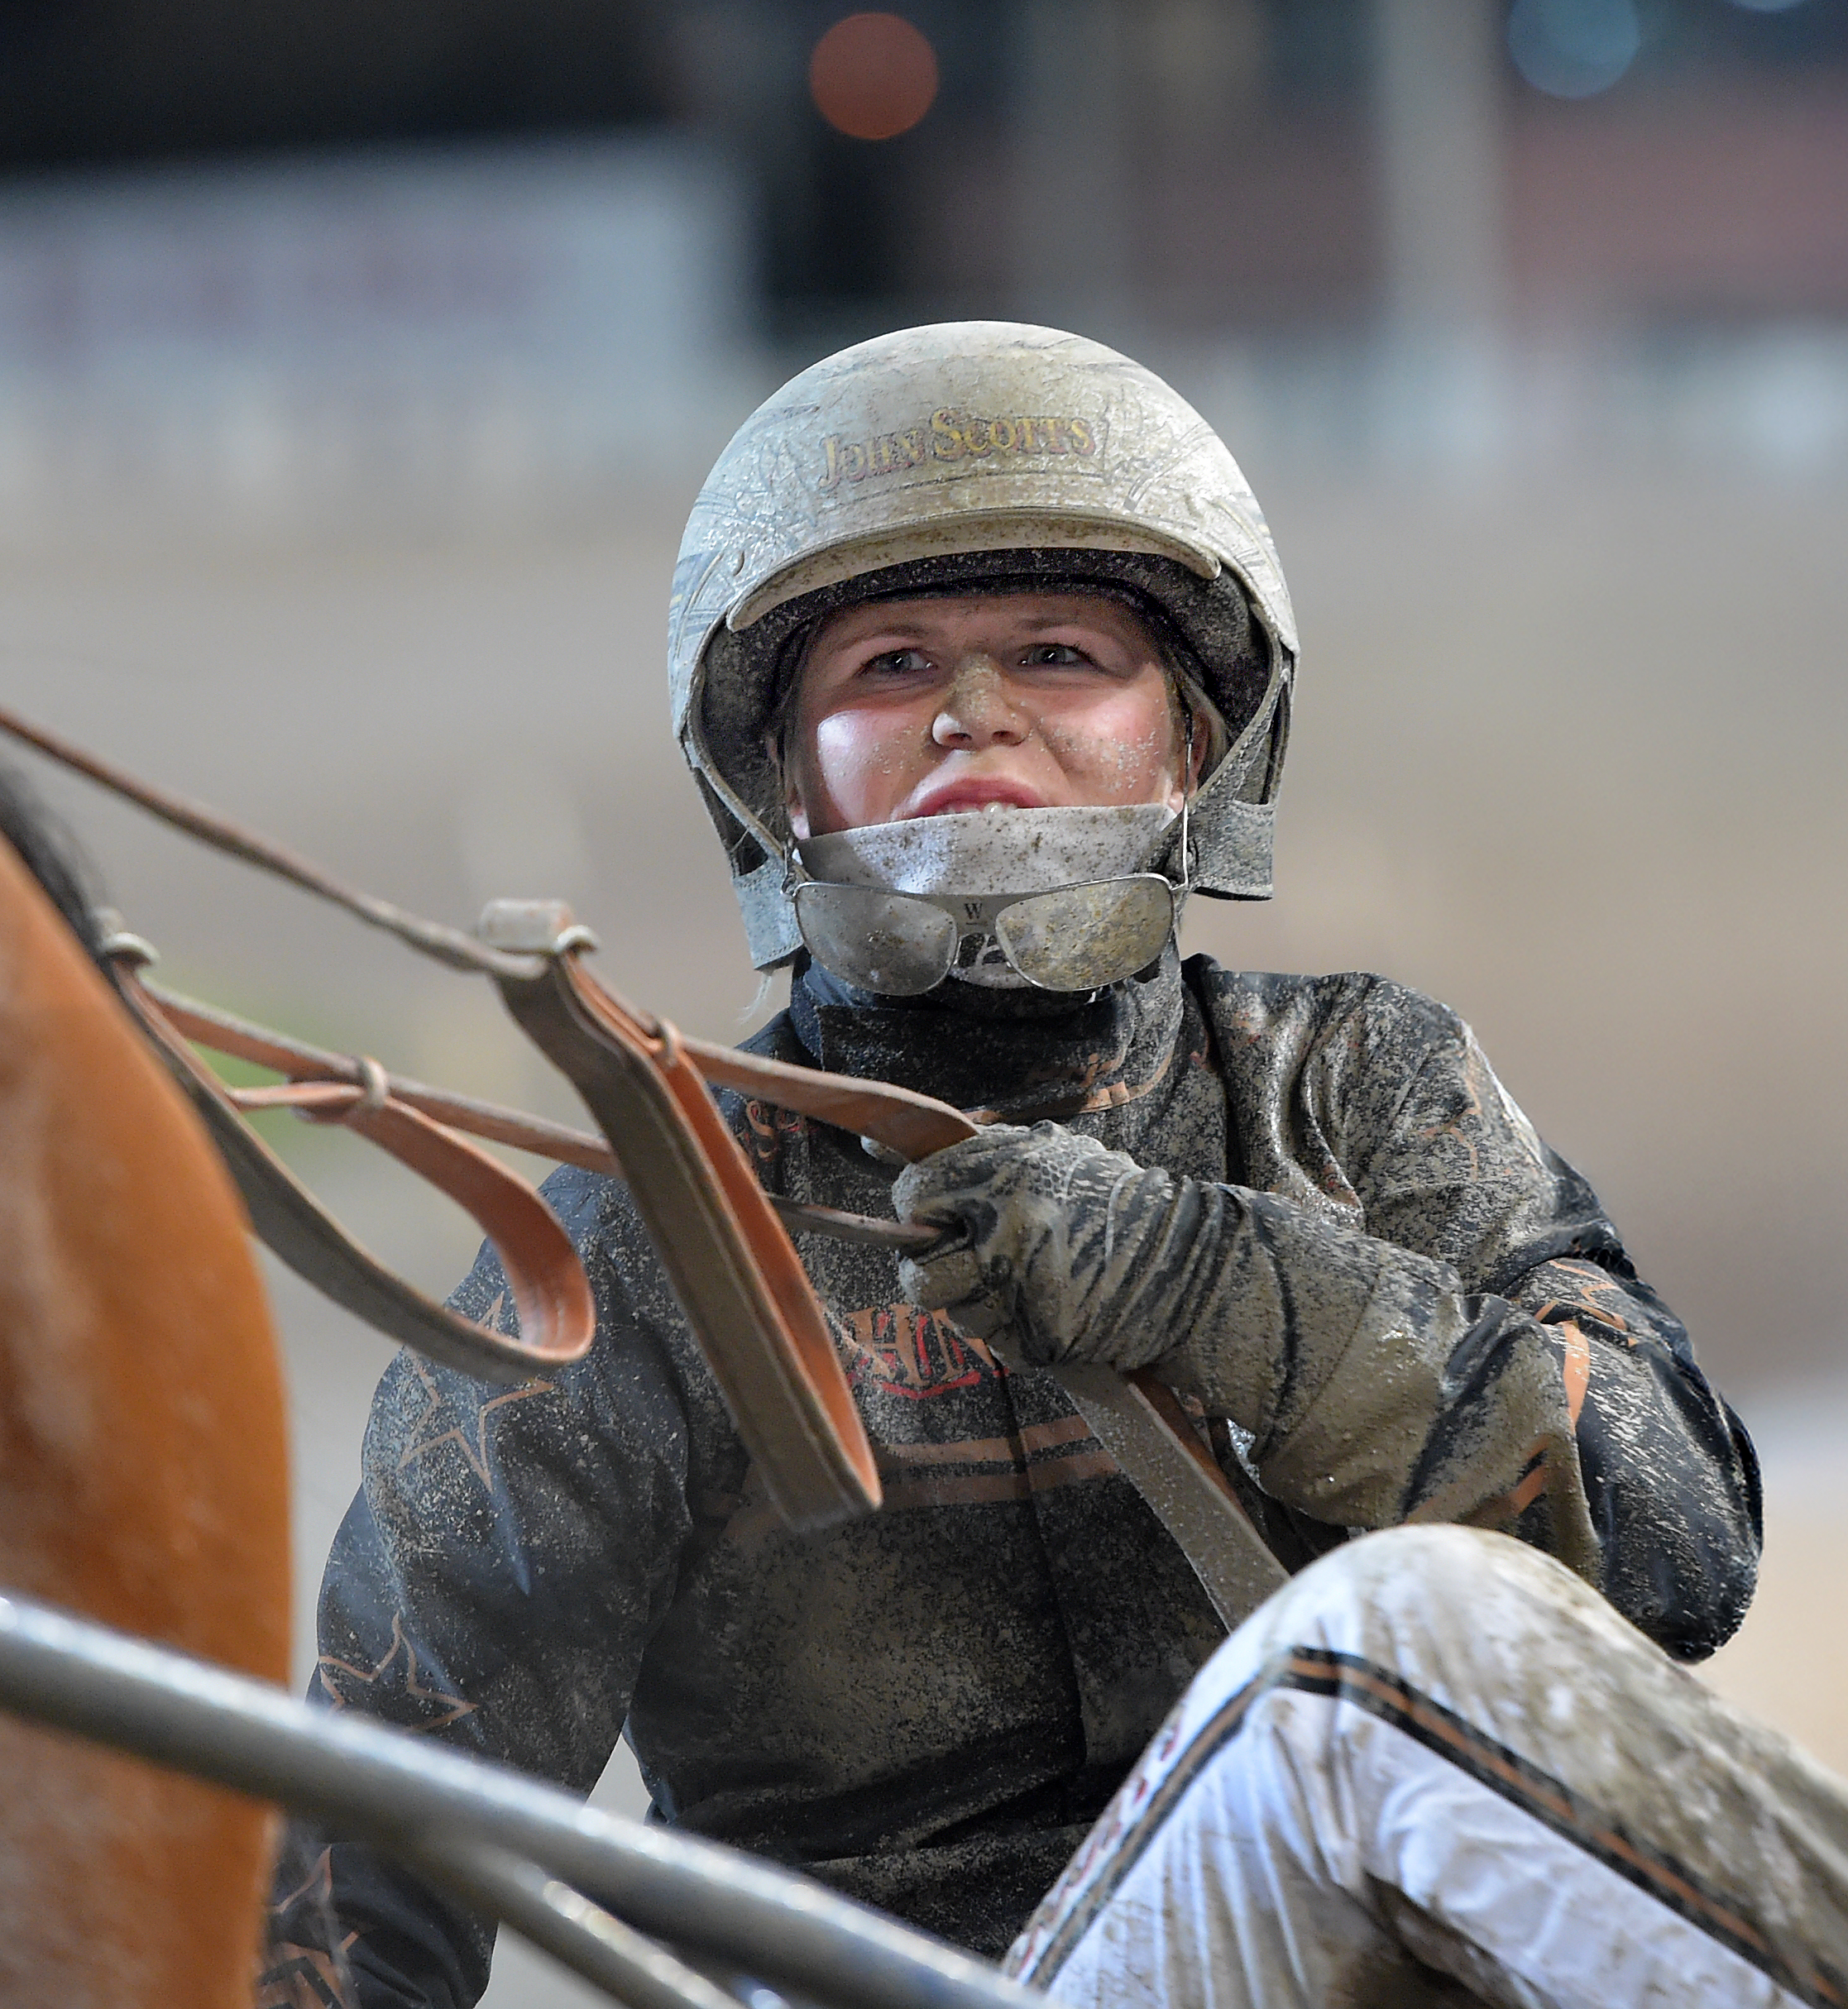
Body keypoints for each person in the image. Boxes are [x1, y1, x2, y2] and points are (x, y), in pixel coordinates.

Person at [257, 322, 1768, 2009]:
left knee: (1395, 1652)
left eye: (1055, 653)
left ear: (1194, 744)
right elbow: (375, 1838)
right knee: (1377, 1657)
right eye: (888, 667)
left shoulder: (1356, 1088)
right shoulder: (641, 1244)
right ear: (781, 791)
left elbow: (1676, 1552)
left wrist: (1230, 1289)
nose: (973, 714)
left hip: (1375, 1955)